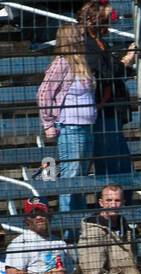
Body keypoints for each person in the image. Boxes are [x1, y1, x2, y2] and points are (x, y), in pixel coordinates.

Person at [38, 23, 98, 215]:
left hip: (86, 127)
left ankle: (78, 222)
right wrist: (47, 123)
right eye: (80, 36)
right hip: (71, 127)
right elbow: (44, 93)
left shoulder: (81, 62)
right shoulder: (62, 63)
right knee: (71, 178)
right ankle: (70, 224)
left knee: (80, 178)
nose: (83, 38)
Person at [80, 0, 136, 178]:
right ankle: (106, 202)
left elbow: (111, 70)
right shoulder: (87, 43)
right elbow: (105, 73)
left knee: (124, 167)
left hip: (112, 111)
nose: (109, 25)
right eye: (105, 20)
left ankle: (125, 203)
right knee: (111, 168)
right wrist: (126, 60)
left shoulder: (101, 42)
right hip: (103, 113)